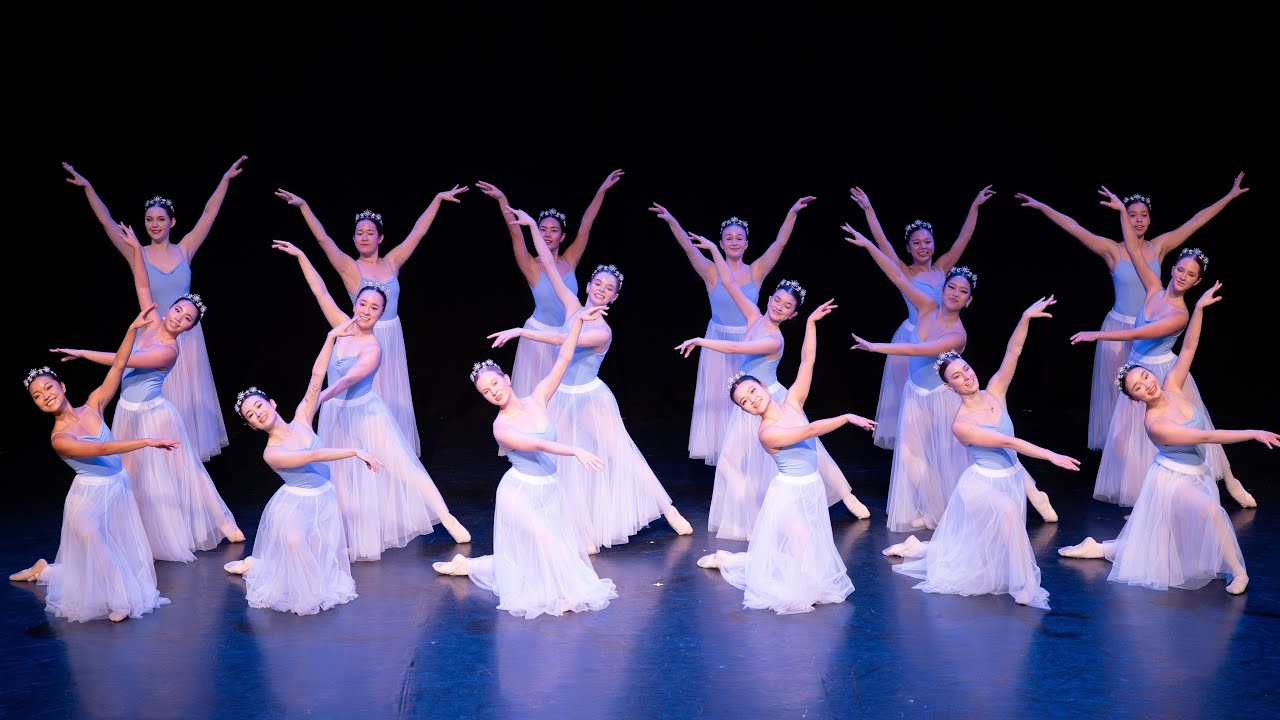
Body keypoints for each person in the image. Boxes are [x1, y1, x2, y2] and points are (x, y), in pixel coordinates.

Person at [488, 209, 693, 550]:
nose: (601, 290)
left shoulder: (601, 330)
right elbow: (552, 270)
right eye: (597, 283)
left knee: (620, 453)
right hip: (560, 395)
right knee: (563, 459)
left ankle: (667, 509)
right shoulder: (572, 307)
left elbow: (562, 342)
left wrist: (521, 330)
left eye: (608, 289)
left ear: (614, 297)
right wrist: (530, 228)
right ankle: (576, 526)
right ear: (587, 285)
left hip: (590, 397)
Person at [1059, 281, 1276, 595]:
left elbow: (1188, 348)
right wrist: (1251, 433)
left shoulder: (1172, 384)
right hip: (1174, 481)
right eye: (1138, 387)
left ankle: (1102, 548)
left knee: (1163, 541)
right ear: (1134, 399)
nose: (1147, 384)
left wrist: (1198, 309)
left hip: (1195, 473)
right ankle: (1238, 572)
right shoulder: (1156, 423)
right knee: (1212, 514)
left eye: (1145, 377)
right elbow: (1206, 435)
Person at [1015, 173, 1249, 457]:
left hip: (1152, 330)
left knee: (1159, 395)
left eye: (1143, 215)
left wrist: (1228, 196)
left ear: (1150, 219)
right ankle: (1125, 455)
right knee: (1125, 399)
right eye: (1131, 215)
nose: (1138, 220)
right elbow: (1075, 228)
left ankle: (1159, 451)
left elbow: (1195, 222)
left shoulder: (1159, 249)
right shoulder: (1115, 252)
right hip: (1123, 324)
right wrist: (1043, 206)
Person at [52, 224, 243, 561]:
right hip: (127, 411)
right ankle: (135, 533)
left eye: (187, 319)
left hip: (155, 414)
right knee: (133, 475)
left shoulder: (170, 351)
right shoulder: (154, 322)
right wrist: (137, 252)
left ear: (188, 329)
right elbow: (142, 285)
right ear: (170, 310)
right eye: (179, 311)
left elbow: (124, 359)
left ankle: (224, 523)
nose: (179, 318)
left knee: (186, 469)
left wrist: (83, 353)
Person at [273, 240, 471, 558]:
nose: (366, 311)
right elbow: (320, 291)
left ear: (381, 313)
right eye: (363, 304)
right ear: (355, 304)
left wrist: (320, 396)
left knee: (404, 467)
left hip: (366, 413)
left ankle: (447, 518)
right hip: (337, 414)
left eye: (374, 308)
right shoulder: (342, 326)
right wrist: (301, 256)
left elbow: (348, 380)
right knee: (336, 475)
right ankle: (341, 533)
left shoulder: (374, 348)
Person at [885, 297, 1080, 609]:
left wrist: (1025, 317)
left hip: (1010, 479)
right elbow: (1008, 443)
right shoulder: (961, 424)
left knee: (976, 545)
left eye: (966, 369)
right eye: (957, 377)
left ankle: (922, 549)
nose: (966, 376)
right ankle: (1026, 586)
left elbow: (1012, 352)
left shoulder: (996, 391)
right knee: (1006, 514)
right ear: (949, 387)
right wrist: (1051, 456)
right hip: (980, 486)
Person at [677, 234, 871, 540]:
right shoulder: (754, 316)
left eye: (787, 306)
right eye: (777, 300)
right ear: (769, 299)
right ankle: (758, 516)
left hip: (770, 399)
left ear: (793, 314)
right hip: (749, 400)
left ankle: (845, 496)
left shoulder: (775, 339)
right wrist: (715, 249)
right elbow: (729, 284)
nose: (780, 307)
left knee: (812, 450)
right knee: (731, 461)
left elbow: (734, 351)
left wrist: (701, 340)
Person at [1069, 186, 1252, 508]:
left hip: (1163, 373)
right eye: (1181, 269)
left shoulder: (1179, 315)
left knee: (1188, 430)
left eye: (1190, 275)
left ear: (1196, 282)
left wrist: (1097, 335)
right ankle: (1148, 501)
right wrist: (1121, 213)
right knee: (1131, 440)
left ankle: (1230, 481)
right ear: (1172, 269)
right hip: (1138, 371)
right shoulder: (1153, 288)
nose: (1183, 276)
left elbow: (1138, 335)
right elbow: (1136, 253)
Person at [433, 306, 618, 619]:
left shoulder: (538, 397)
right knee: (546, 541)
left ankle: (468, 565)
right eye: (485, 392)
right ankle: (572, 594)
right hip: (519, 495)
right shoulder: (501, 427)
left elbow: (563, 358)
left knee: (526, 559)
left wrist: (579, 324)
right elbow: (537, 444)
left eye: (495, 384)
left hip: (549, 489)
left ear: (506, 379)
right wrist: (575, 450)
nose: (493, 392)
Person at [63, 156, 249, 461]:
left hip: (186, 338)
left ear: (172, 222)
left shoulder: (185, 249)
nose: (154, 225)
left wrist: (225, 179)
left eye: (160, 219)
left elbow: (209, 213)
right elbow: (107, 222)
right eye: (149, 220)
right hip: (152, 336)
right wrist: (88, 188)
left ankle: (183, 464)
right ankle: (152, 460)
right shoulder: (136, 252)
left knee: (185, 402)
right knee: (154, 400)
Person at [696, 298, 870, 614]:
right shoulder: (767, 432)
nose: (752, 400)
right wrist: (845, 417)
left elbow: (807, 362)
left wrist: (811, 324)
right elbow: (808, 432)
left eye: (752, 392)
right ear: (745, 411)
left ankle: (730, 559)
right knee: (802, 544)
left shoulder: (792, 403)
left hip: (811, 487)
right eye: (744, 402)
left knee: (809, 546)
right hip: (788, 495)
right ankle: (733, 563)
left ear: (763, 386)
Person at [274, 183, 468, 455]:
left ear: (380, 238)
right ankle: (363, 454)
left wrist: (436, 199)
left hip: (391, 336)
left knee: (391, 397)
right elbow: (323, 240)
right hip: (363, 338)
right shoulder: (349, 268)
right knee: (366, 399)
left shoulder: (392, 262)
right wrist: (304, 206)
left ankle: (392, 456)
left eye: (370, 233)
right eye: (359, 233)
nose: (364, 237)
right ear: (353, 239)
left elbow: (418, 232)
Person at [10, 307, 174, 622]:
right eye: (36, 396)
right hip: (86, 498)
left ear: (62, 387)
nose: (44, 396)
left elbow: (120, 366)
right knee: (94, 541)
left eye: (48, 387)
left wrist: (132, 329)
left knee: (97, 558)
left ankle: (46, 570)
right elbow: (101, 447)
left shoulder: (94, 405)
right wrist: (146, 441)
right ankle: (120, 600)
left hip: (116, 487)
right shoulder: (59, 438)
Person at [223, 322, 385, 615]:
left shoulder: (302, 418)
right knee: (295, 542)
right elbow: (315, 455)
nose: (258, 414)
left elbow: (316, 377)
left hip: (323, 498)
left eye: (259, 407)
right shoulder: (271, 453)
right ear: (251, 425)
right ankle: (292, 583)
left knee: (316, 554)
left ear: (271, 403)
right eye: (251, 415)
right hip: (295, 503)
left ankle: (254, 564)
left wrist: (330, 338)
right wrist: (354, 450)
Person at [650, 197, 816, 465]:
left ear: (747, 243)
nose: (735, 242)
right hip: (718, 339)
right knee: (719, 400)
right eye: (729, 238)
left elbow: (779, 244)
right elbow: (687, 247)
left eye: (740, 238)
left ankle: (756, 456)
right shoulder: (711, 271)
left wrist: (792, 213)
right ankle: (727, 458)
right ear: (721, 242)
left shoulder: (757, 270)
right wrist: (671, 220)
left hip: (749, 338)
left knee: (751, 399)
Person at [847, 184, 995, 449]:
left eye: (927, 241)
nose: (923, 247)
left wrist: (974, 207)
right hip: (913, 335)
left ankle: (945, 448)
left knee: (945, 395)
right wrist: (869, 210)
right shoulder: (907, 272)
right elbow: (883, 244)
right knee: (915, 399)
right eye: (916, 243)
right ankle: (915, 452)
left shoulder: (942, 269)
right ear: (908, 247)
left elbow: (963, 239)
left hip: (942, 337)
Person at [476, 170, 624, 398]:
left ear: (562, 237)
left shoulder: (570, 260)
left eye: (553, 230)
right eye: (542, 229)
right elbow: (515, 233)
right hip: (538, 338)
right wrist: (502, 200)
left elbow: (586, 225)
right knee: (535, 397)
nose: (547, 235)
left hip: (569, 334)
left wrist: (601, 190)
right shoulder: (531, 265)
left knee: (560, 397)